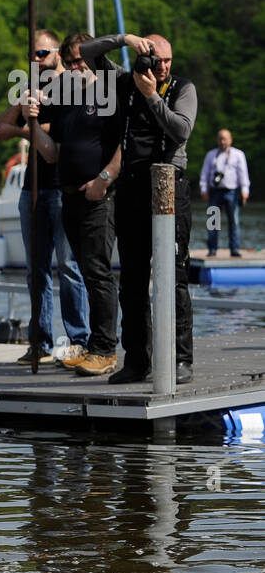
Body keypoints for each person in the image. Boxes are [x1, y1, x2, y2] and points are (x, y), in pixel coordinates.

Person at [77, 33, 198, 385]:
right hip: (130, 187)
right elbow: (86, 52)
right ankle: (137, 360)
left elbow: (181, 130)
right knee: (130, 280)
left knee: (173, 276)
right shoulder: (123, 81)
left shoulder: (182, 89)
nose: (161, 67)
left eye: (167, 61)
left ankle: (181, 358)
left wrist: (151, 96)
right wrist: (125, 39)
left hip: (168, 188)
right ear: (141, 58)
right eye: (155, 59)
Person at [22, 32, 126, 377]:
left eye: (79, 60)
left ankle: (105, 350)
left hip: (99, 196)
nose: (74, 66)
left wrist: (104, 180)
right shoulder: (65, 100)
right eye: (68, 62)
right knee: (83, 269)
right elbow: (51, 152)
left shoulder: (109, 92)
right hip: (68, 195)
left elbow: (123, 145)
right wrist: (33, 121)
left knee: (97, 272)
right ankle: (91, 346)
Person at [0, 29, 90, 366]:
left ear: (57, 54)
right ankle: (40, 340)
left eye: (43, 54)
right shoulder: (33, 89)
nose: (37, 60)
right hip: (31, 190)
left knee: (68, 266)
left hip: (63, 187)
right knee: (37, 270)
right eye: (32, 55)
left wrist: (23, 127)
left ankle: (79, 339)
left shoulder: (73, 87)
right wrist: (21, 105)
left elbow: (52, 135)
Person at [199, 129, 250, 257]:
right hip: (215, 192)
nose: (222, 141)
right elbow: (204, 174)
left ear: (230, 140)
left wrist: (245, 190)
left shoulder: (238, 155)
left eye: (225, 138)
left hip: (231, 191)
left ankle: (234, 249)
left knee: (234, 221)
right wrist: (203, 190)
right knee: (213, 222)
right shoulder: (211, 155)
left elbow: (243, 174)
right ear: (217, 140)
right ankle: (212, 250)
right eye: (220, 138)